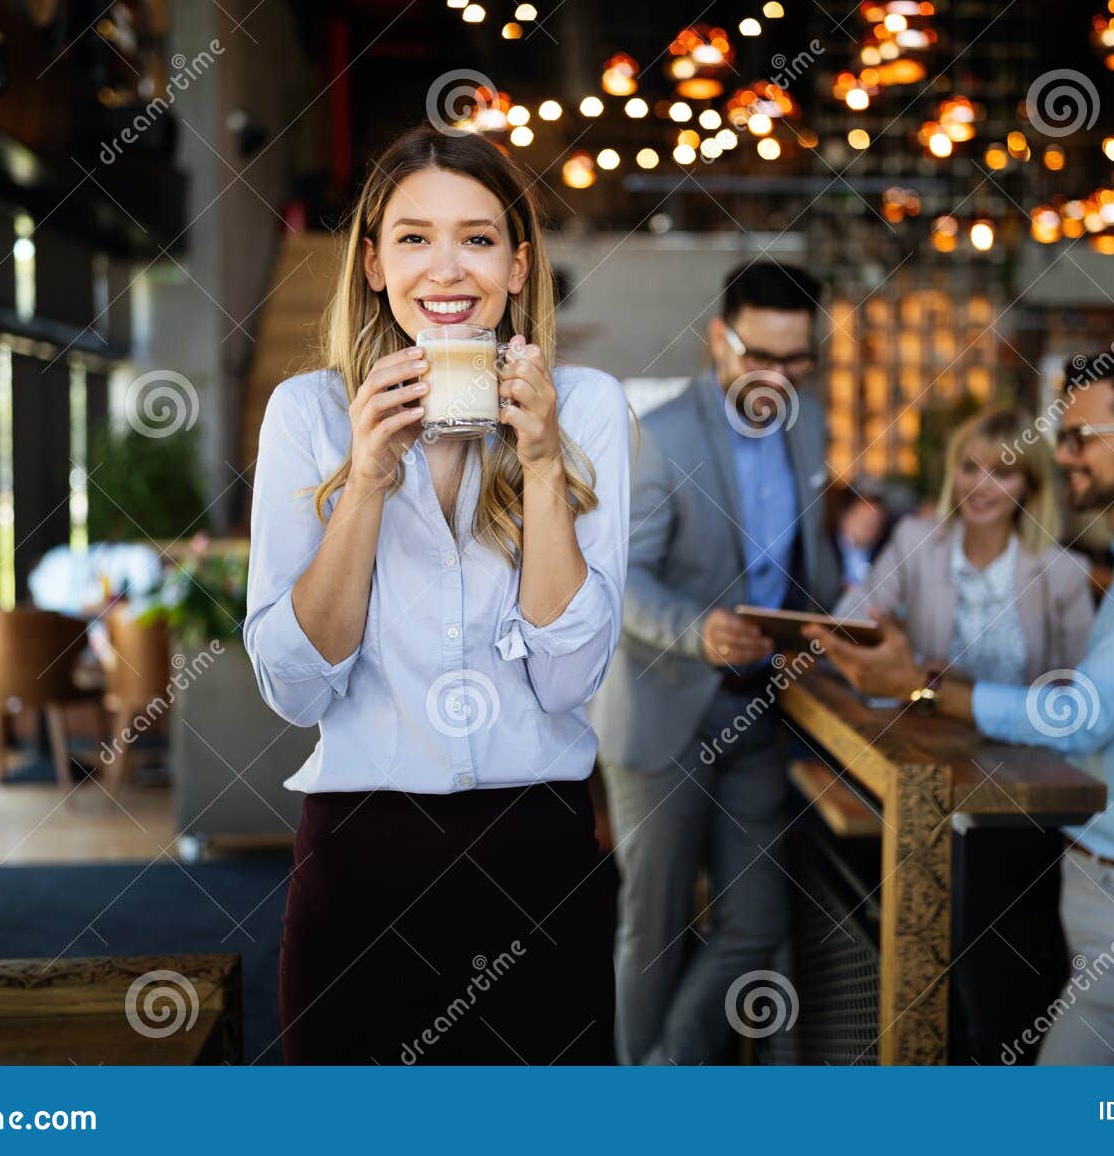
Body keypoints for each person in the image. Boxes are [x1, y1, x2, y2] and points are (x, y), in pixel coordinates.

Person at [245, 125, 630, 1065]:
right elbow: (295, 688)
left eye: (479, 237)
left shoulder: (584, 408)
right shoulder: (310, 414)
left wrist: (541, 467)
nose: (446, 267)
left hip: (536, 850)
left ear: (517, 263)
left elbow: (569, 675)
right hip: (361, 850)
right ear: (372, 264)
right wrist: (366, 479)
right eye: (414, 237)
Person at [805, 351, 1114, 1065]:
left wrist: (919, 687)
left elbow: (1080, 714)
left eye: (1082, 435)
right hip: (1104, 882)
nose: (1064, 453)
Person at [589, 260, 842, 1065]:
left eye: (795, 361)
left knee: (759, 921)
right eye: (757, 356)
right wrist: (700, 631)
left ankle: (666, 1075)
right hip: (665, 707)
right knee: (654, 930)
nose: (775, 378)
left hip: (761, 709)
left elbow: (808, 557)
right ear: (718, 340)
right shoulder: (659, 436)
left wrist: (846, 617)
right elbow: (621, 582)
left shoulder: (809, 426)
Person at [834, 406, 1095, 684]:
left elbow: (1081, 688)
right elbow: (849, 621)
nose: (979, 486)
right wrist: (894, 647)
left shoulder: (1065, 571)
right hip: (923, 723)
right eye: (969, 467)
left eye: (1002, 472)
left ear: (1029, 487)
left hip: (1020, 728)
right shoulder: (915, 539)